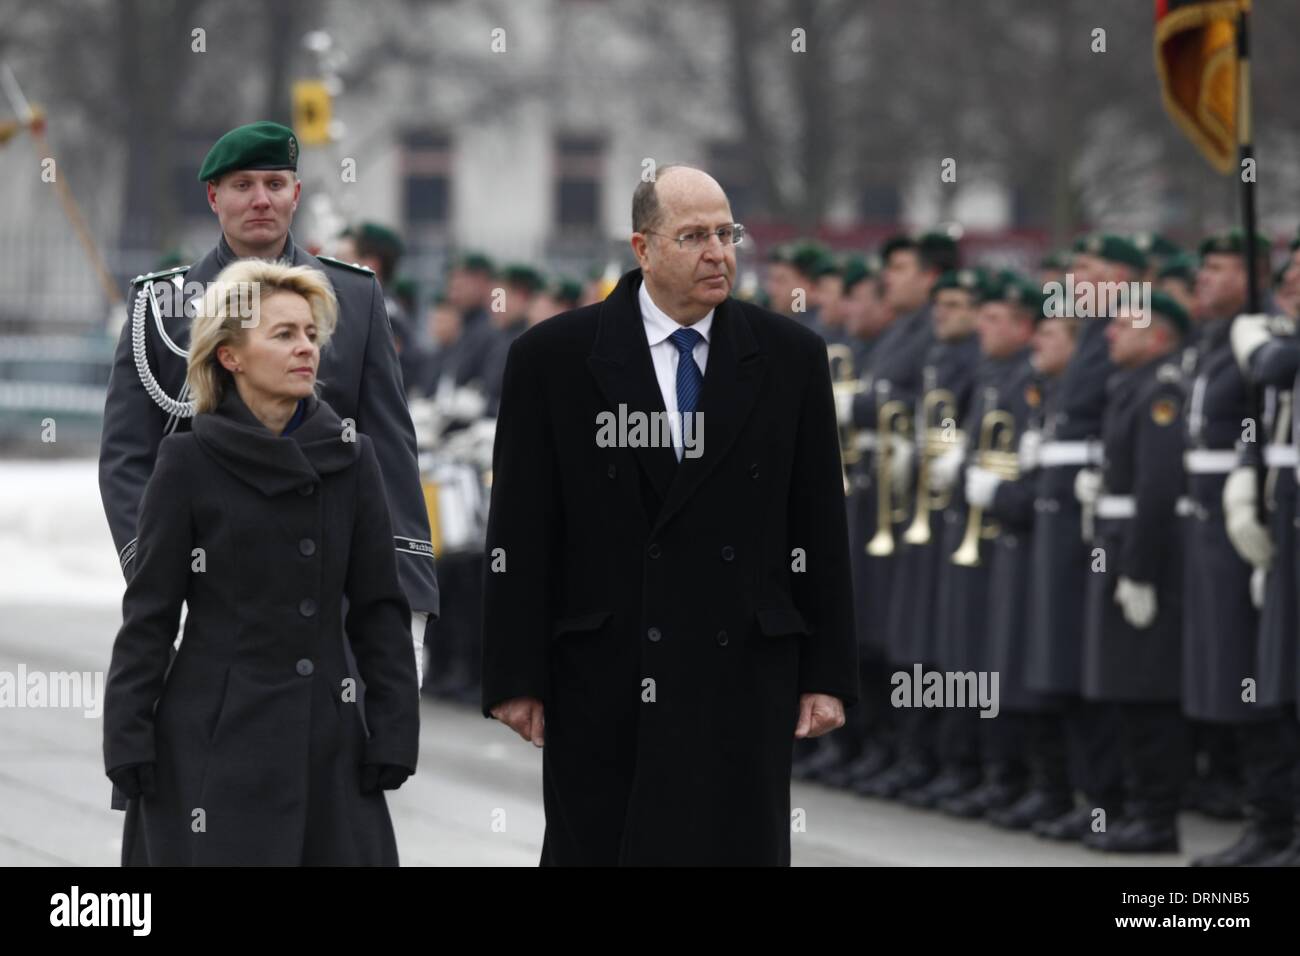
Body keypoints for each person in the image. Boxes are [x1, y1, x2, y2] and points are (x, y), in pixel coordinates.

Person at [480, 164, 857, 865]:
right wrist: (514, 675)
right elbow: (522, 529)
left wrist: (829, 671)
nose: (719, 252)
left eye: (726, 232)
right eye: (694, 236)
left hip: (741, 671)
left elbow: (819, 525)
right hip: (605, 671)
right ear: (643, 248)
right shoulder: (553, 359)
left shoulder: (789, 357)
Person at [98, 122, 436, 720]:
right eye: (243, 185)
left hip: (324, 580)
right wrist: (154, 572)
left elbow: (389, 449)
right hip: (206, 585)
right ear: (214, 197)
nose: (261, 199)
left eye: (275, 184)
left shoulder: (353, 298)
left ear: (296, 195)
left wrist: (405, 603)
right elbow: (127, 457)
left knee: (327, 774)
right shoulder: (161, 304)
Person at [102, 260, 419, 865]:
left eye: (310, 334)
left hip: (327, 742)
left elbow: (380, 609)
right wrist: (128, 737)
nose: (306, 349)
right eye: (283, 335)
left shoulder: (353, 459)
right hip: (211, 742)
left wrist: (395, 726)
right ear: (231, 356)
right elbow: (150, 613)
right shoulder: (187, 461)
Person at [1185, 230, 1297, 866]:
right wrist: (1245, 482)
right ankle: (1269, 821)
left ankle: (1278, 823)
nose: (1205, 277)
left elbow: (1275, 378)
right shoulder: (1220, 336)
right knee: (1249, 678)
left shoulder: (1268, 337)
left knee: (1268, 682)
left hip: (1275, 528)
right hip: (1242, 521)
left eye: (1221, 268)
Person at [1076, 293, 1192, 852]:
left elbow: (1158, 488)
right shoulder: (1130, 386)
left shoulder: (1159, 390)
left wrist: (1140, 571)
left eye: (1125, 325)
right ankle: (1131, 809)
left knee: (1147, 692)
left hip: (1146, 558)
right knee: (1124, 689)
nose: (1110, 334)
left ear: (1159, 337)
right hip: (1120, 547)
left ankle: (1156, 819)